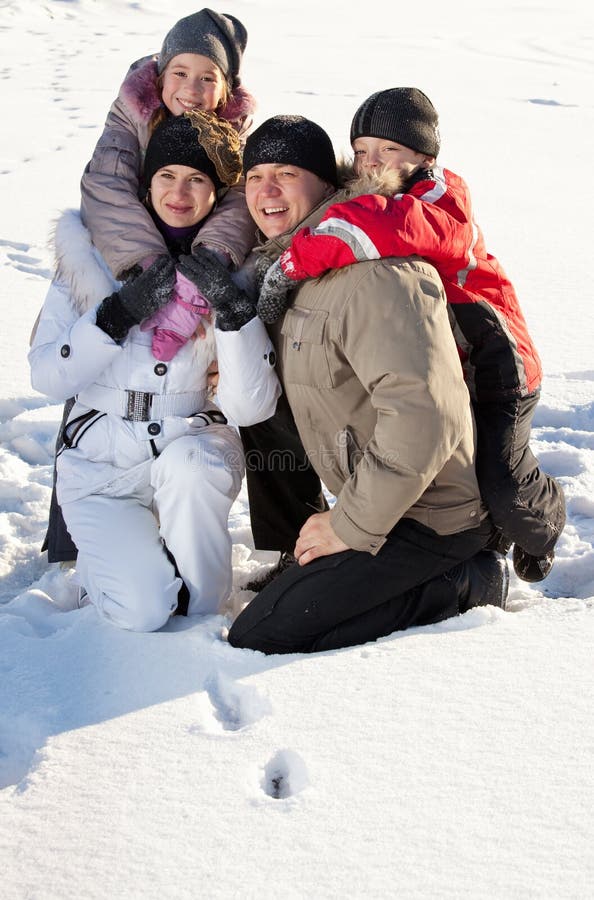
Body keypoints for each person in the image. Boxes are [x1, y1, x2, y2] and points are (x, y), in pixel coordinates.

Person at [184, 114, 509, 655]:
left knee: (264, 633)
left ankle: (471, 581)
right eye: (255, 175)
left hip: (434, 516)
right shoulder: (298, 269)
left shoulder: (375, 273)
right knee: (277, 616)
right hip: (384, 500)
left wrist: (347, 525)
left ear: (328, 186)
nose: (266, 190)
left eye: (285, 173)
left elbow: (425, 420)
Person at [258, 89, 566, 583]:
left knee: (502, 480)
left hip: (500, 366)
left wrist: (292, 263)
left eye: (387, 151)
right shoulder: (379, 200)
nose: (370, 163)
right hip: (452, 361)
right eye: (360, 152)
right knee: (469, 466)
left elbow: (383, 226)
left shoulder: (439, 202)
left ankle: (543, 525)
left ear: (424, 156)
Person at [29, 112, 280, 632]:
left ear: (217, 193)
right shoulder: (90, 256)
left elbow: (249, 408)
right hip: (101, 465)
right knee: (143, 610)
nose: (180, 192)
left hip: (190, 447)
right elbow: (47, 374)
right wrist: (114, 317)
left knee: (203, 606)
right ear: (147, 185)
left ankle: (188, 577)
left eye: (197, 179)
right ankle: (107, 569)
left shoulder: (238, 268)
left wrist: (234, 314)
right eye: (167, 176)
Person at [80, 7, 257, 361]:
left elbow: (242, 203)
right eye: (180, 72)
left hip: (196, 242)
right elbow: (106, 188)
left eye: (208, 78)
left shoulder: (236, 132)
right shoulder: (132, 112)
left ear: (225, 91)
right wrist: (150, 268)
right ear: (161, 77)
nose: (192, 89)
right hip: (134, 239)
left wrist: (203, 267)